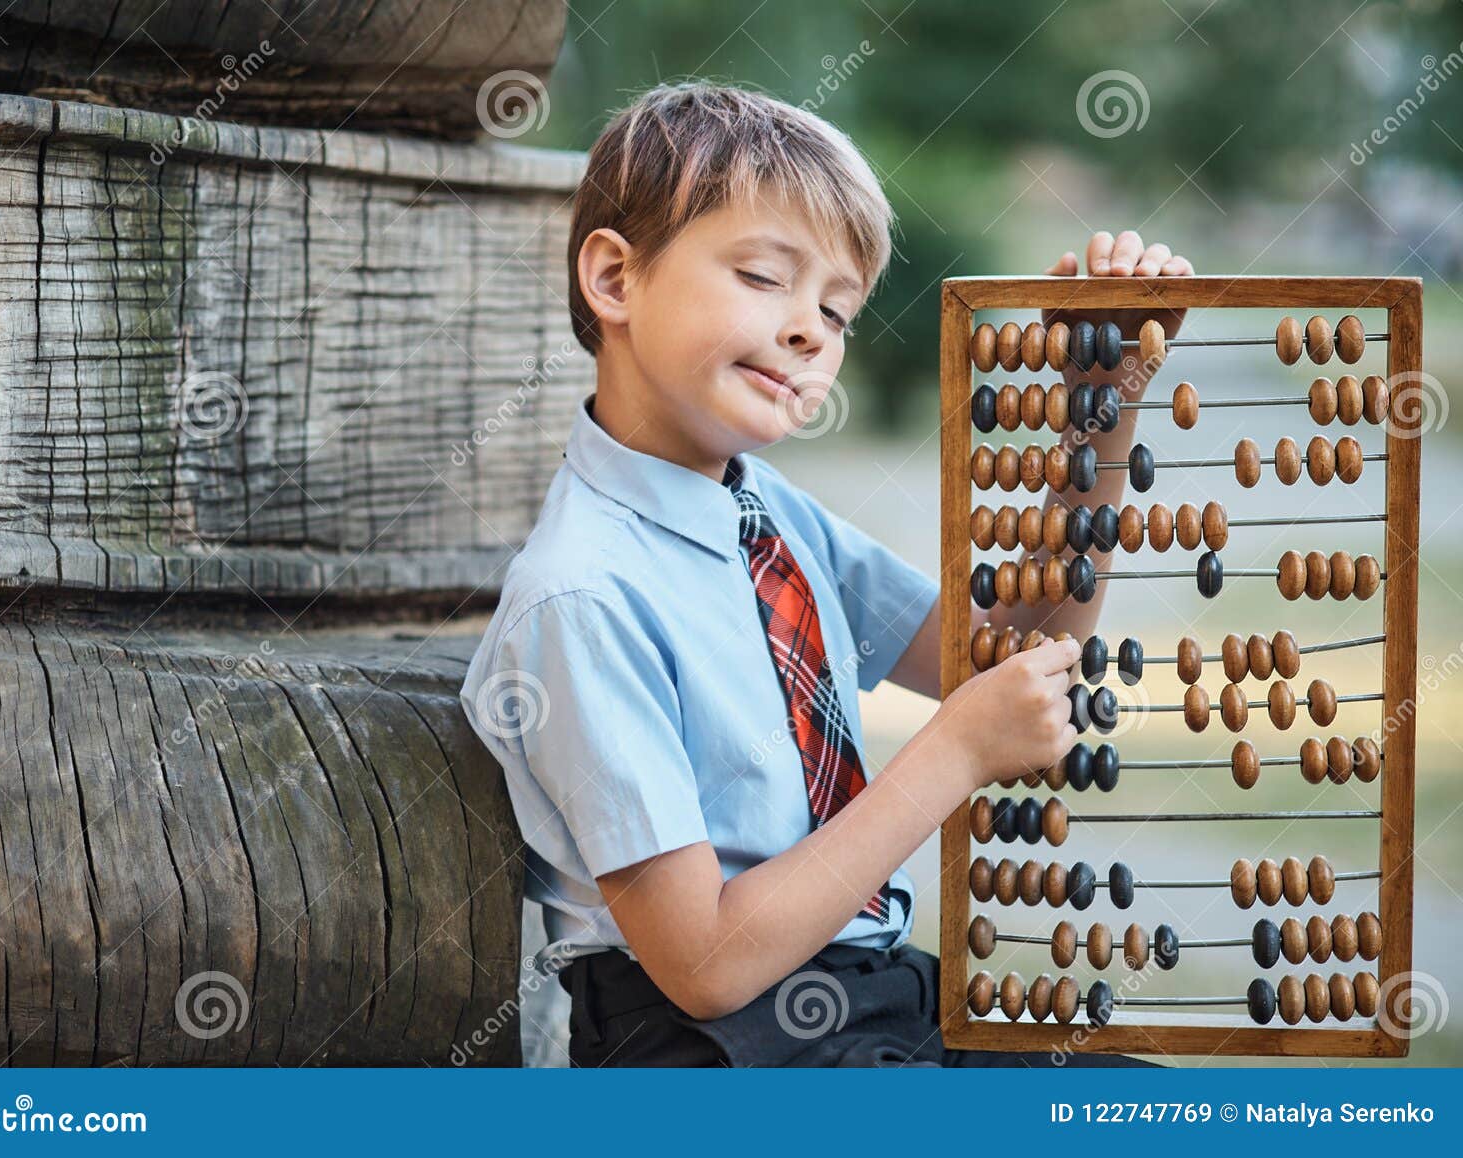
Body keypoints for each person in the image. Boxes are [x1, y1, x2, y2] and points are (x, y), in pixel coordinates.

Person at [459, 80, 1193, 1067]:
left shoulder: (765, 513)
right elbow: (705, 965)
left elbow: (1015, 657)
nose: (811, 331)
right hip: (709, 1052)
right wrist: (954, 755)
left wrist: (1100, 409)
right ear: (615, 279)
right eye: (764, 278)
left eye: (836, 309)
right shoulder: (582, 597)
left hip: (867, 995)